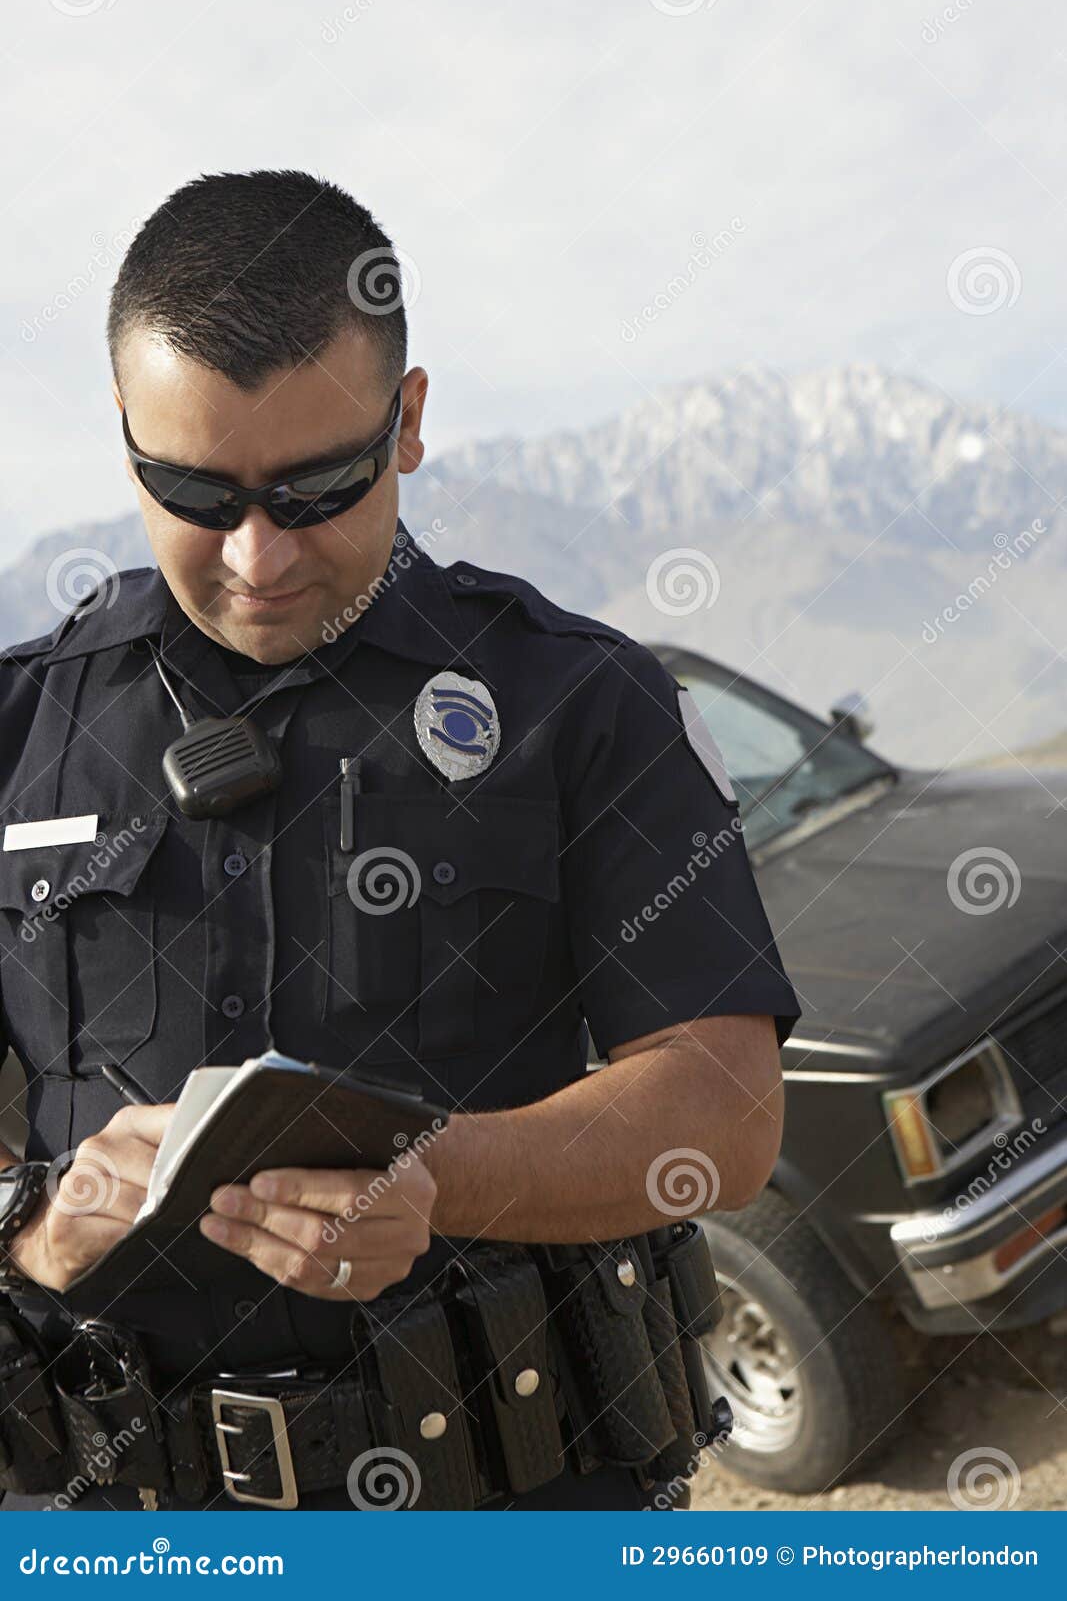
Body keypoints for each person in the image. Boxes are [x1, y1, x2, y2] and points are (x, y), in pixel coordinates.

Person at [0, 170, 800, 1511]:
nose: (257, 556)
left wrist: (437, 1178)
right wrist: (31, 1225)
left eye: (315, 488)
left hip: (510, 1515)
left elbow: (723, 1108)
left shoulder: (576, 700)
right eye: (196, 490)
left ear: (409, 419)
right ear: (127, 438)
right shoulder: (19, 728)